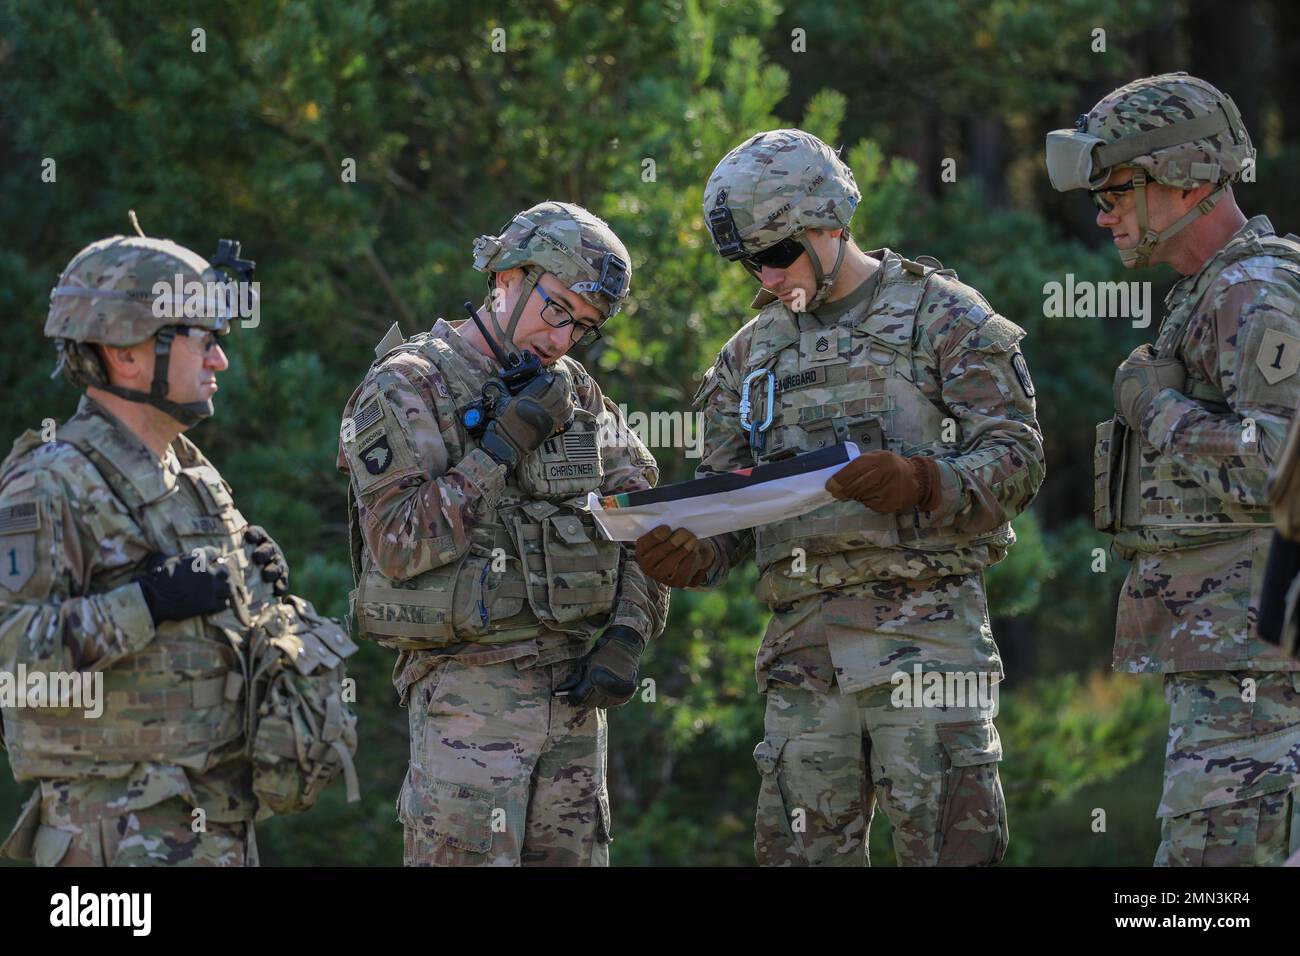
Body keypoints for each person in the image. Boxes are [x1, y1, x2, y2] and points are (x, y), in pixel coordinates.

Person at [636, 129, 1044, 866]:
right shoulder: (747, 355)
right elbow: (727, 504)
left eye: (776, 254)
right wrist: (688, 553)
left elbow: (1017, 457)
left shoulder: (941, 317)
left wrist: (926, 482)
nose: (764, 278)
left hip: (927, 649)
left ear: (830, 222)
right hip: (804, 662)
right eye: (747, 263)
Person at [0, 227, 356, 867]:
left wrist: (257, 588)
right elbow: (10, 665)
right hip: (113, 841)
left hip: (214, 826)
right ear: (128, 354)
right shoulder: (50, 482)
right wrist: (147, 604)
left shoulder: (192, 474)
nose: (220, 360)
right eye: (205, 341)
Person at [339, 200, 668, 866]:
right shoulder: (408, 385)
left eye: (583, 327)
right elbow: (401, 542)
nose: (561, 340)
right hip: (468, 693)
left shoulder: (572, 388)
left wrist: (630, 632)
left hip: (573, 695)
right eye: (557, 310)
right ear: (509, 275)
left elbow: (646, 514)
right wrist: (500, 448)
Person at [1047, 72, 1300, 866]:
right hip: (1231, 664)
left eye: (1117, 190)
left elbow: (1278, 468)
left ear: (1182, 178)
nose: (1103, 212)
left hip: (1254, 677)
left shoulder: (1253, 292)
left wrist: (1154, 410)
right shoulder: (1219, 290)